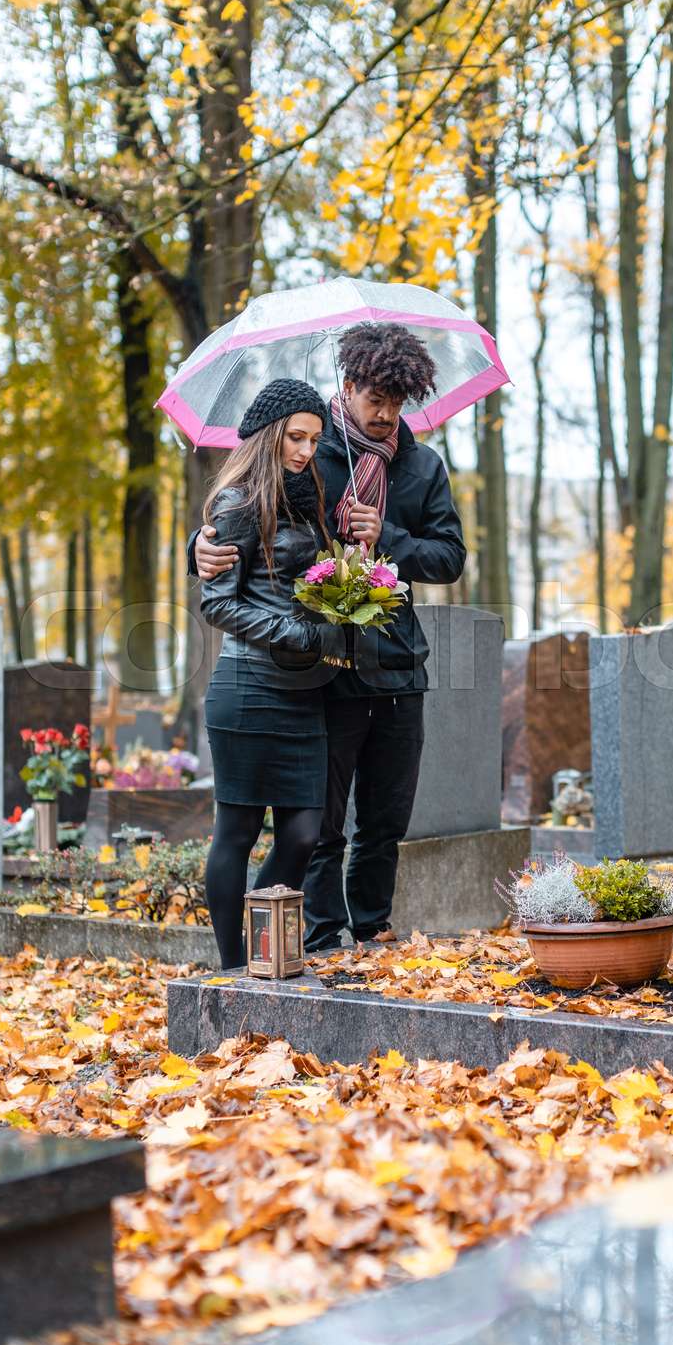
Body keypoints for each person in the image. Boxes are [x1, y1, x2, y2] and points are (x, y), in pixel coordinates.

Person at [194, 323, 467, 951]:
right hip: (323, 667)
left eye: (399, 404)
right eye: (376, 399)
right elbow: (247, 516)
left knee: (386, 818)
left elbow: (449, 558)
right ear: (348, 387)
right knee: (319, 826)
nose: (386, 414)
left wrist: (389, 538)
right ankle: (319, 935)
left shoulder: (422, 467)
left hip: (397, 662)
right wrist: (199, 546)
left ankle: (371, 930)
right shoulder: (309, 452)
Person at [198, 379, 349, 969]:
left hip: (304, 695)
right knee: (236, 832)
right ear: (269, 435)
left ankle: (265, 944)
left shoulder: (309, 505)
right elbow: (217, 603)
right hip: (248, 688)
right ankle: (231, 966)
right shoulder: (237, 503)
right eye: (295, 436)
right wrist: (294, 632)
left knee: (303, 835)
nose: (306, 449)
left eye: (314, 438)